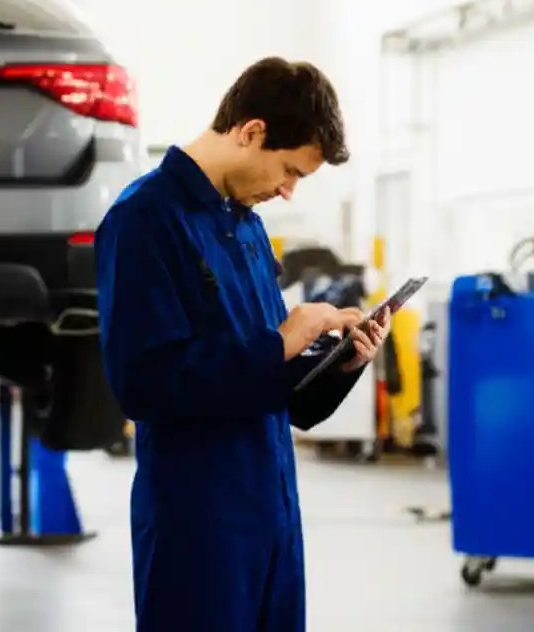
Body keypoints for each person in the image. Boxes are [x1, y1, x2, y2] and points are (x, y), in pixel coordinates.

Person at [95, 57, 391, 632]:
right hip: (197, 521)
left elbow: (283, 392)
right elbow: (143, 385)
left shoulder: (248, 227)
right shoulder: (144, 220)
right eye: (289, 171)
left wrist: (342, 362)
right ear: (251, 131)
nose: (287, 190)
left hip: (272, 511)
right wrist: (283, 338)